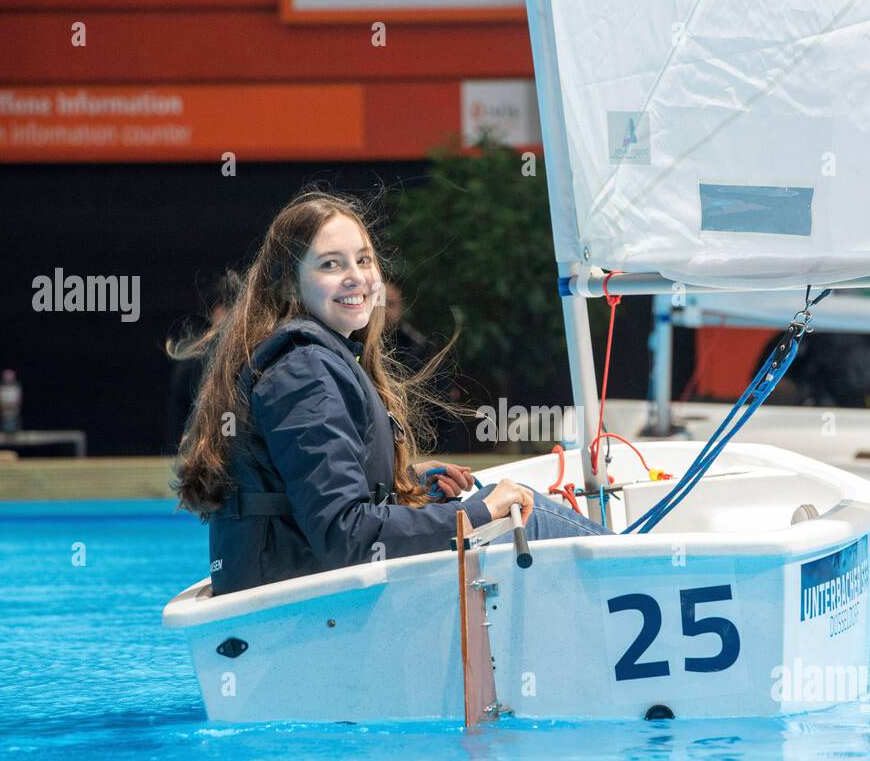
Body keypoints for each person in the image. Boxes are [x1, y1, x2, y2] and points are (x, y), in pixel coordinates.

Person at [172, 191, 608, 596]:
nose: (356, 277)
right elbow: (347, 536)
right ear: (288, 284)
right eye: (330, 264)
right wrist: (475, 514)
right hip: (303, 606)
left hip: (289, 586)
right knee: (531, 514)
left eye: (363, 260)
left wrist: (406, 485)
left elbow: (314, 502)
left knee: (504, 501)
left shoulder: (309, 358)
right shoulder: (304, 369)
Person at [165, 271, 240, 450]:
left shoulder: (250, 358)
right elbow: (177, 430)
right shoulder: (194, 364)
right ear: (216, 312)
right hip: (201, 460)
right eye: (226, 308)